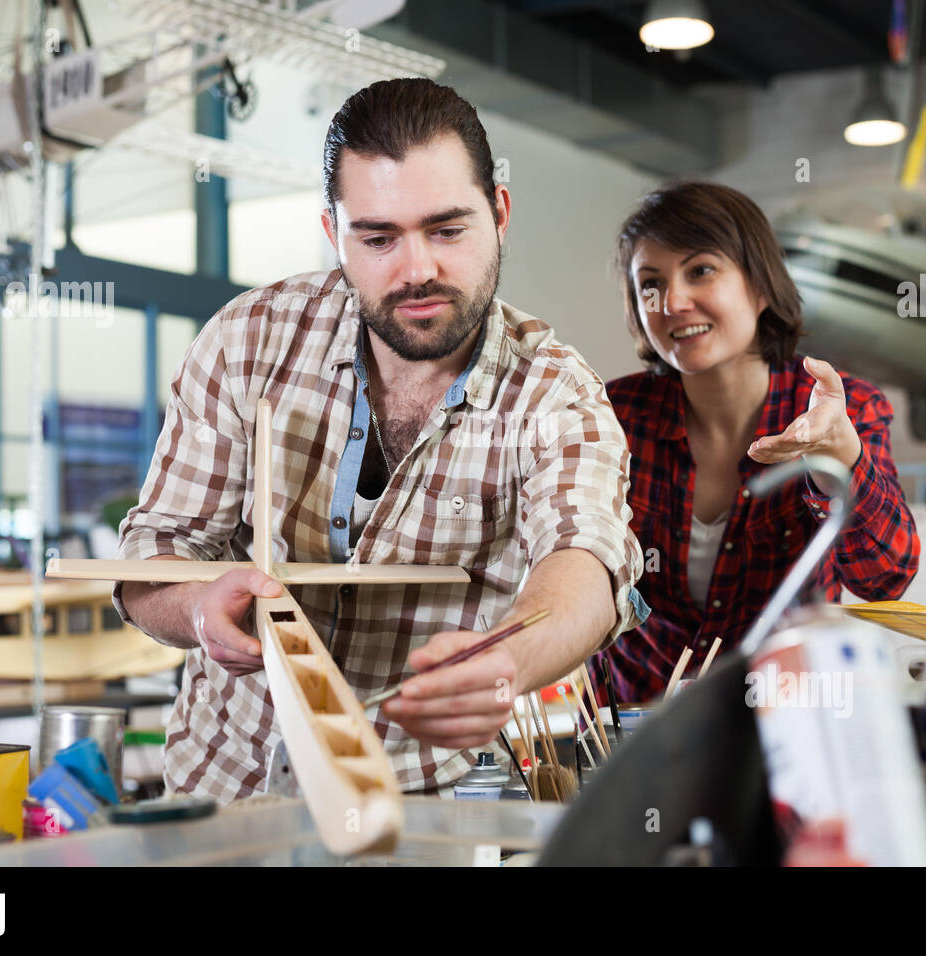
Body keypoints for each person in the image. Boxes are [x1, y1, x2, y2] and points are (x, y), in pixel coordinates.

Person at [114, 78, 648, 800]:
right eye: (378, 237)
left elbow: (586, 565)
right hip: (224, 794)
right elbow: (152, 559)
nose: (418, 269)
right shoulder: (249, 341)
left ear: (500, 213)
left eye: (448, 229)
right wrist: (198, 606)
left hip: (419, 814)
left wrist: (509, 660)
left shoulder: (553, 392)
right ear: (335, 235)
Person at [600, 180, 918, 704]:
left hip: (792, 736)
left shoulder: (843, 407)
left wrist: (838, 459)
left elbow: (887, 577)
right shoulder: (611, 417)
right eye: (650, 284)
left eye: (701, 270)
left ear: (761, 286)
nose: (674, 301)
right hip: (634, 740)